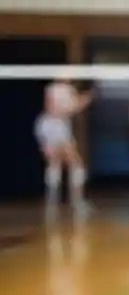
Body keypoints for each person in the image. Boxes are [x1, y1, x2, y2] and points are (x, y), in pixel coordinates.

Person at [35, 76, 93, 218]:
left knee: (66, 164)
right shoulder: (52, 89)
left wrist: (83, 101)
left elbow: (73, 108)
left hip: (61, 127)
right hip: (52, 126)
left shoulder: (70, 90)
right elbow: (53, 109)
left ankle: (60, 201)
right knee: (70, 163)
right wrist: (73, 106)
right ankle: (73, 201)